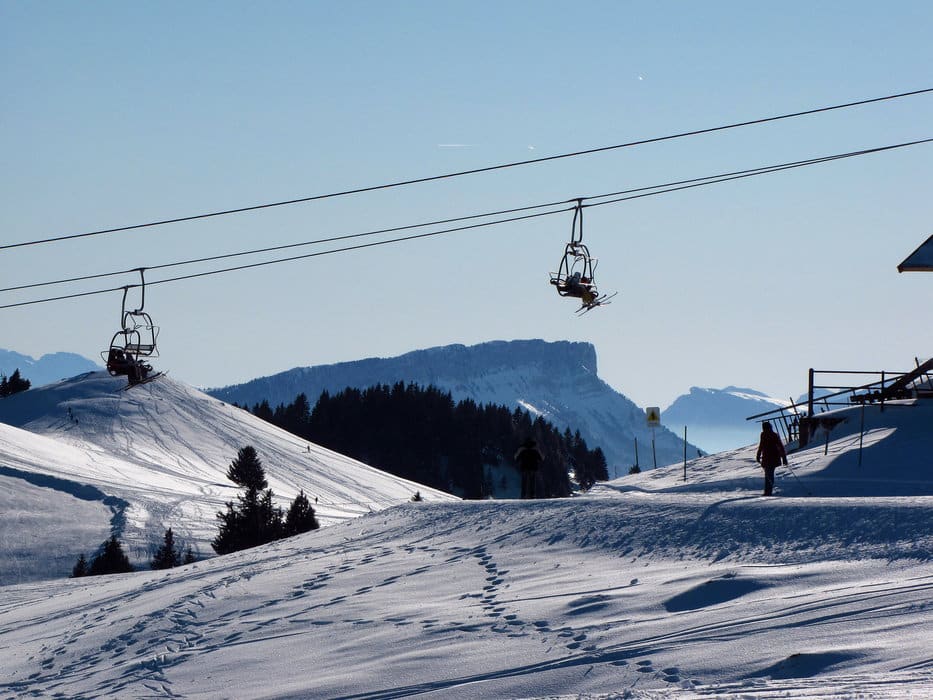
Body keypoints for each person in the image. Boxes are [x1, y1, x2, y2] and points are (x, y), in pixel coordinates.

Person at [755, 421, 787, 496]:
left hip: (770, 457)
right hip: (772, 458)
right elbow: (781, 446)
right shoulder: (772, 434)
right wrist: (784, 458)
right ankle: (768, 491)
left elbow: (761, 445)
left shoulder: (767, 435)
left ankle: (768, 492)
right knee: (769, 474)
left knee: (768, 474)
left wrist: (758, 455)